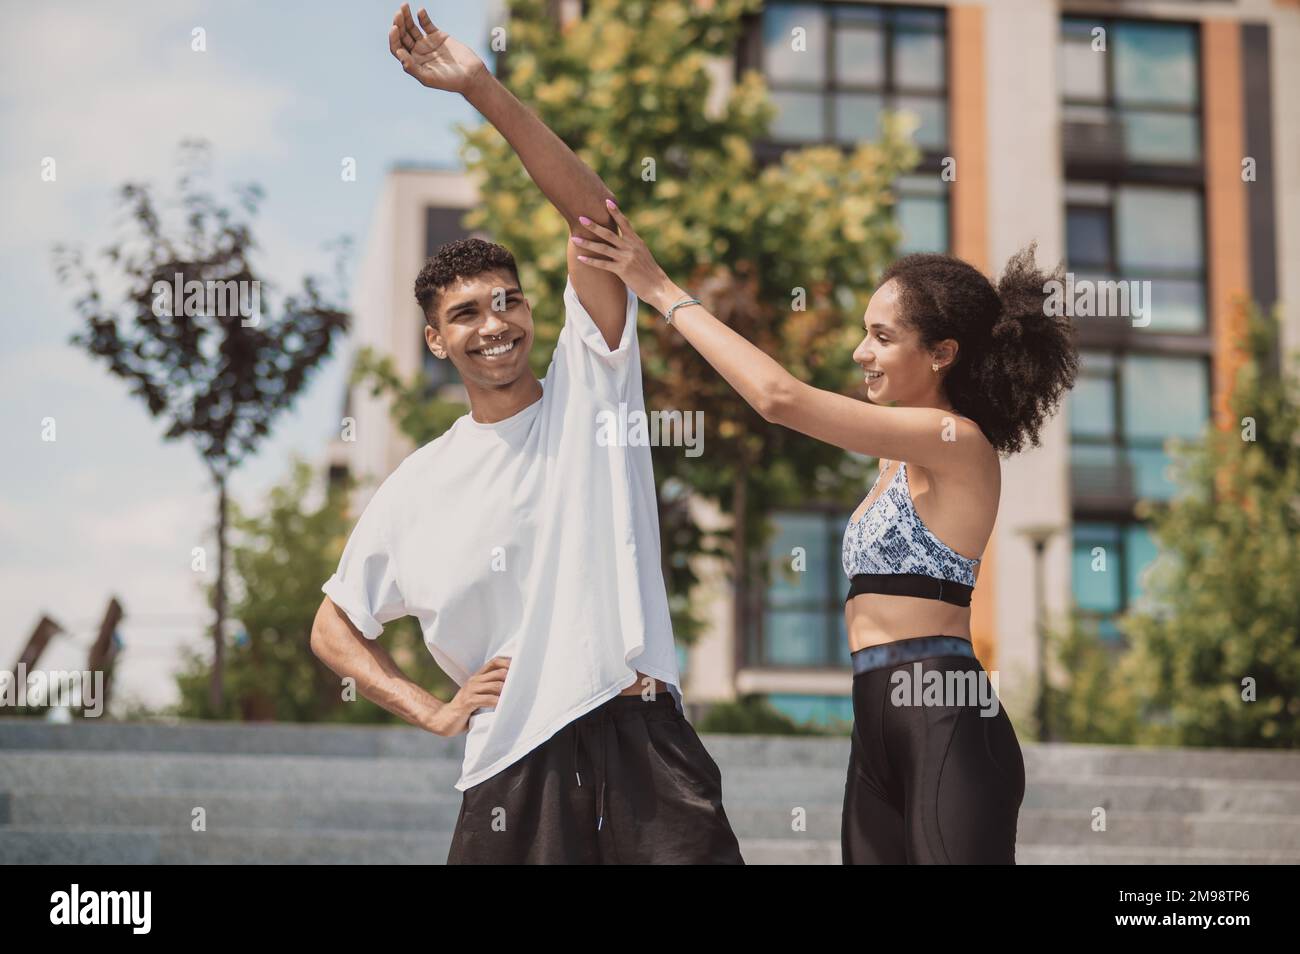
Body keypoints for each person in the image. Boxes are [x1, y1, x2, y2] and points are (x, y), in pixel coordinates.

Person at [309, 4, 743, 865]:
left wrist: (478, 87)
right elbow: (332, 627)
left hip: (638, 739)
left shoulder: (594, 390)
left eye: (507, 299)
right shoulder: (417, 484)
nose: (494, 323)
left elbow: (597, 221)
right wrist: (429, 707)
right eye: (466, 313)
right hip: (512, 765)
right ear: (437, 340)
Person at [570, 203, 1079, 863]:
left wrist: (661, 290)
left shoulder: (955, 441)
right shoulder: (896, 452)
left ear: (943, 353)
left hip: (944, 716)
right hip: (877, 720)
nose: (860, 351)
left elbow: (779, 398)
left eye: (882, 336)